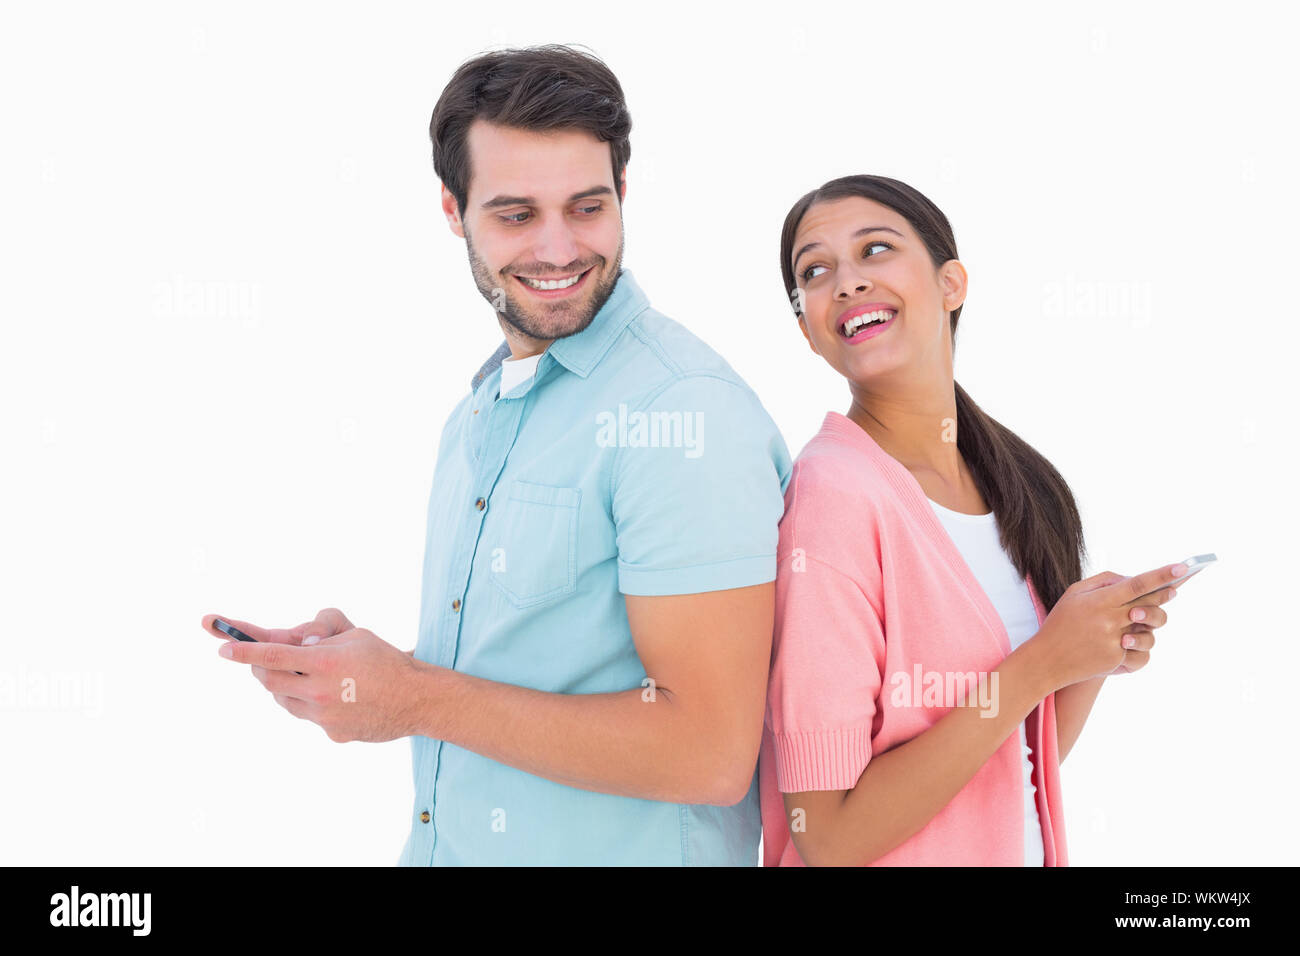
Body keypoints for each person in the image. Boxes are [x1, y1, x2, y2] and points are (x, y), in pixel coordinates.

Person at [202, 44, 791, 866]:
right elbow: (521, 673)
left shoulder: (683, 413)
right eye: (516, 215)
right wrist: (378, 677)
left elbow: (711, 751)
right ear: (453, 209)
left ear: (624, 191)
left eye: (587, 207)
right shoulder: (483, 407)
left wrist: (413, 699)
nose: (558, 251)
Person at [759, 174, 1186, 866]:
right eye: (816, 270)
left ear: (952, 283)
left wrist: (1085, 660)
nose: (845, 282)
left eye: (875, 250)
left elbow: (1009, 765)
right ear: (808, 327)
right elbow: (830, 836)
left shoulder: (1016, 484)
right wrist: (1042, 662)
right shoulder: (832, 500)